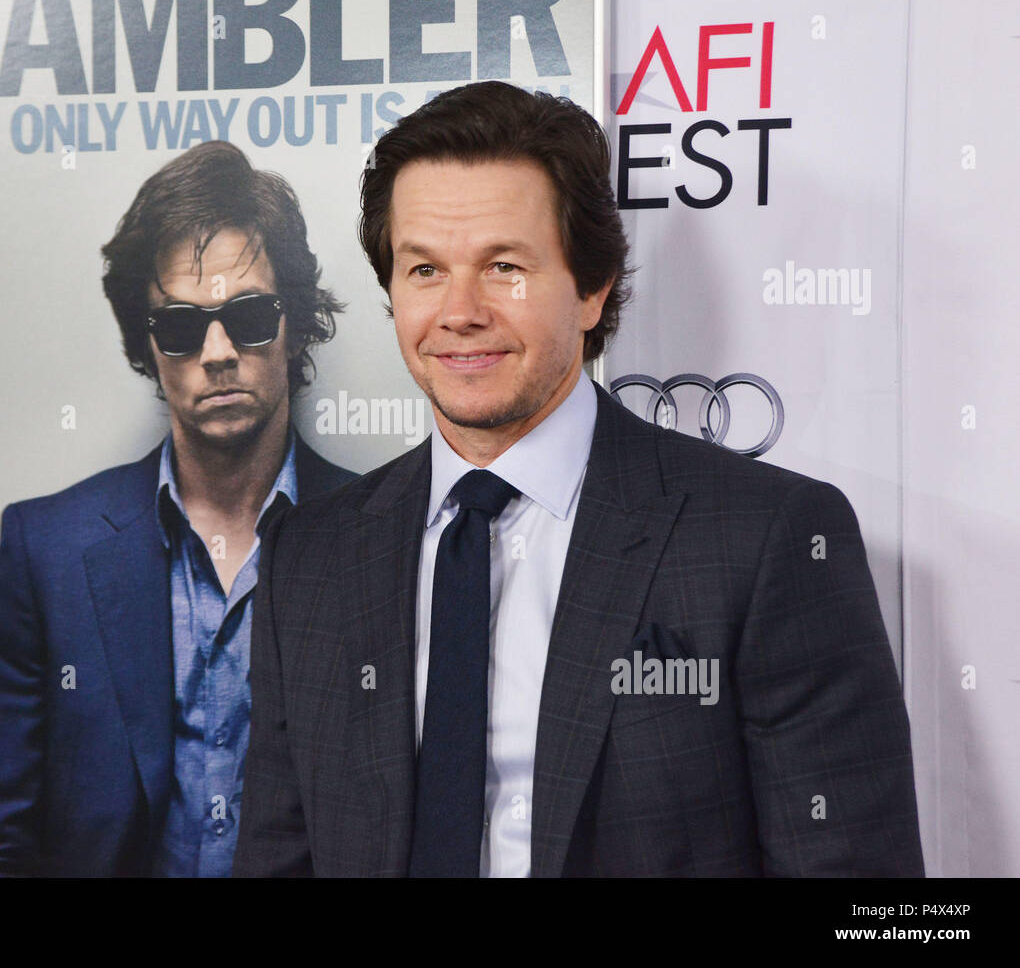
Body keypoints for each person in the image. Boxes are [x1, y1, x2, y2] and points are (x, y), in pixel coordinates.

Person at [234, 81, 923, 877]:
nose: (460, 310)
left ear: (592, 287)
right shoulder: (310, 556)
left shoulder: (765, 541)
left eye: (504, 266)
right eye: (424, 268)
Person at [0, 141, 356, 876]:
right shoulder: (46, 550)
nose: (217, 350)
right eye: (179, 326)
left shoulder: (381, 541)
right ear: (148, 346)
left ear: (293, 319)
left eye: (249, 315)